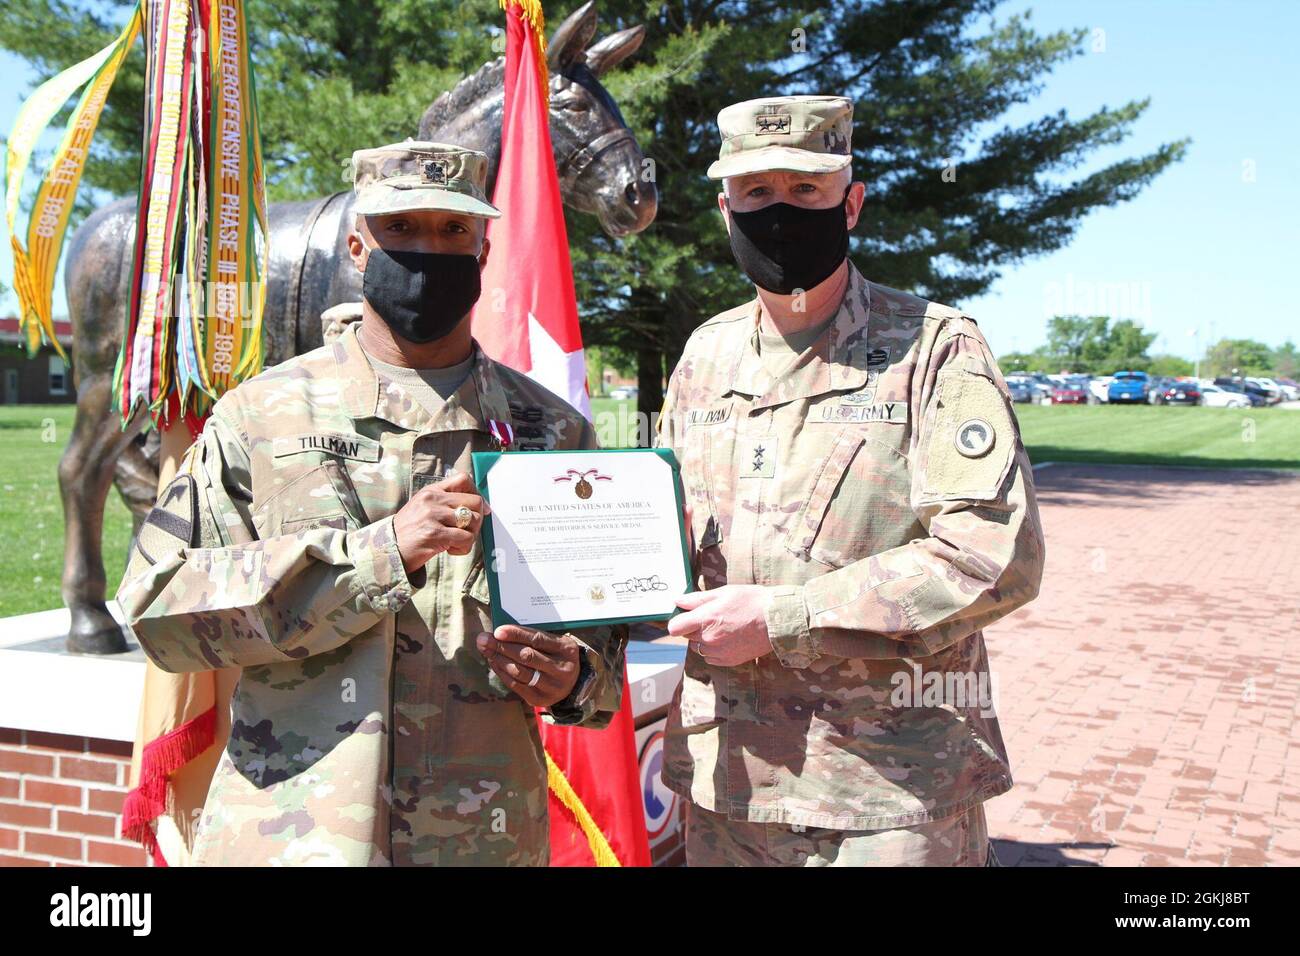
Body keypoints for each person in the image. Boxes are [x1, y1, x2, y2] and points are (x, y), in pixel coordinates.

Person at [117, 141, 627, 866]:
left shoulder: (553, 432)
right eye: (402, 230)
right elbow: (158, 610)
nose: (429, 252)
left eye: (453, 233)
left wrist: (576, 678)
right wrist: (376, 555)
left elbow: (602, 647)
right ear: (358, 246)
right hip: (293, 836)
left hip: (483, 841)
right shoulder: (261, 416)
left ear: (484, 252)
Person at [655, 96, 1046, 866]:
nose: (780, 214)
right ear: (725, 208)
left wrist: (786, 617)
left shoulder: (936, 348)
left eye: (806, 191)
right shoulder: (706, 355)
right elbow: (662, 543)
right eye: (757, 193)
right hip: (727, 783)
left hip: (888, 794)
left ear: (852, 203)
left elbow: (994, 560)